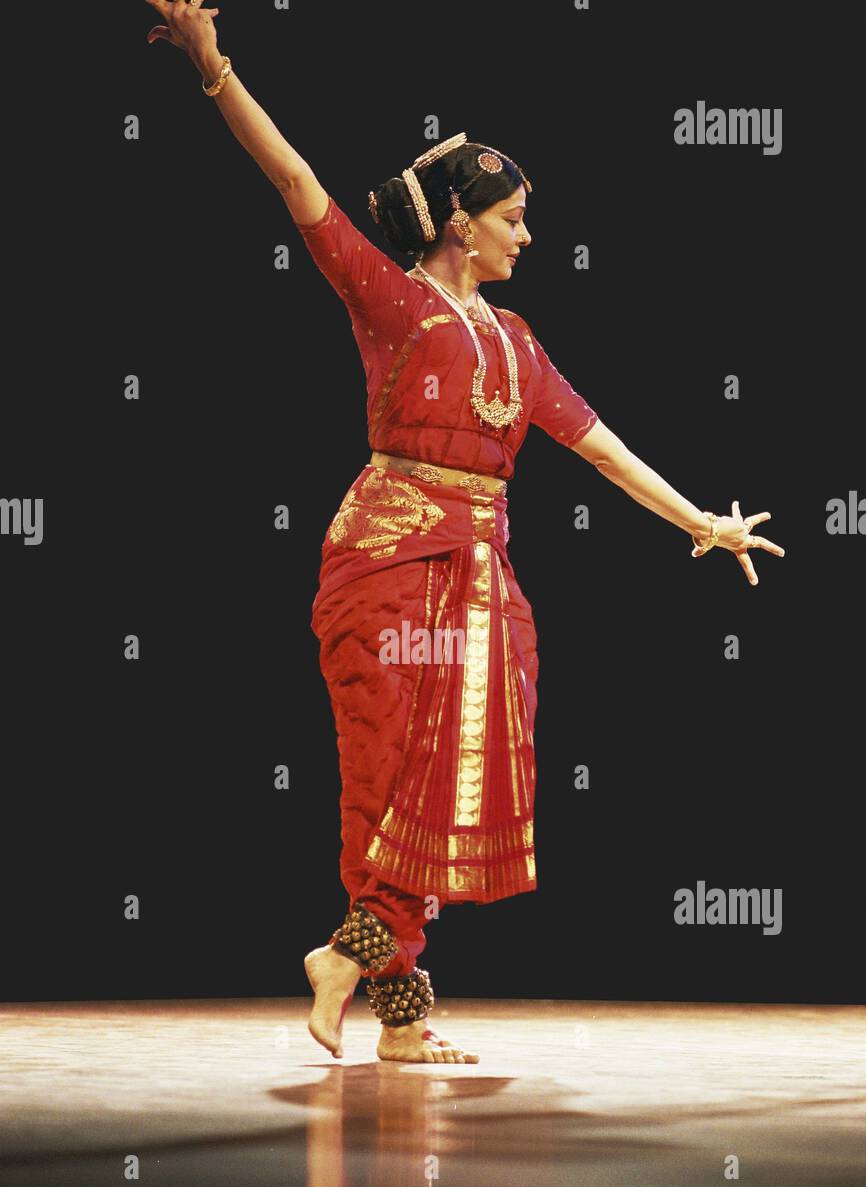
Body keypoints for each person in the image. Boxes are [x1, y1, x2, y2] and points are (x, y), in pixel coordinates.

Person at [144, 0, 786, 1065]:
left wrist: (702, 523)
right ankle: (367, 978)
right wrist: (216, 70)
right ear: (458, 221)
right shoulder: (392, 304)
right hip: (389, 558)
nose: (526, 234)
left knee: (465, 764)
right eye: (512, 217)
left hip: (482, 577)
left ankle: (375, 986)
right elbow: (298, 183)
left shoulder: (520, 342)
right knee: (388, 766)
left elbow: (597, 444)